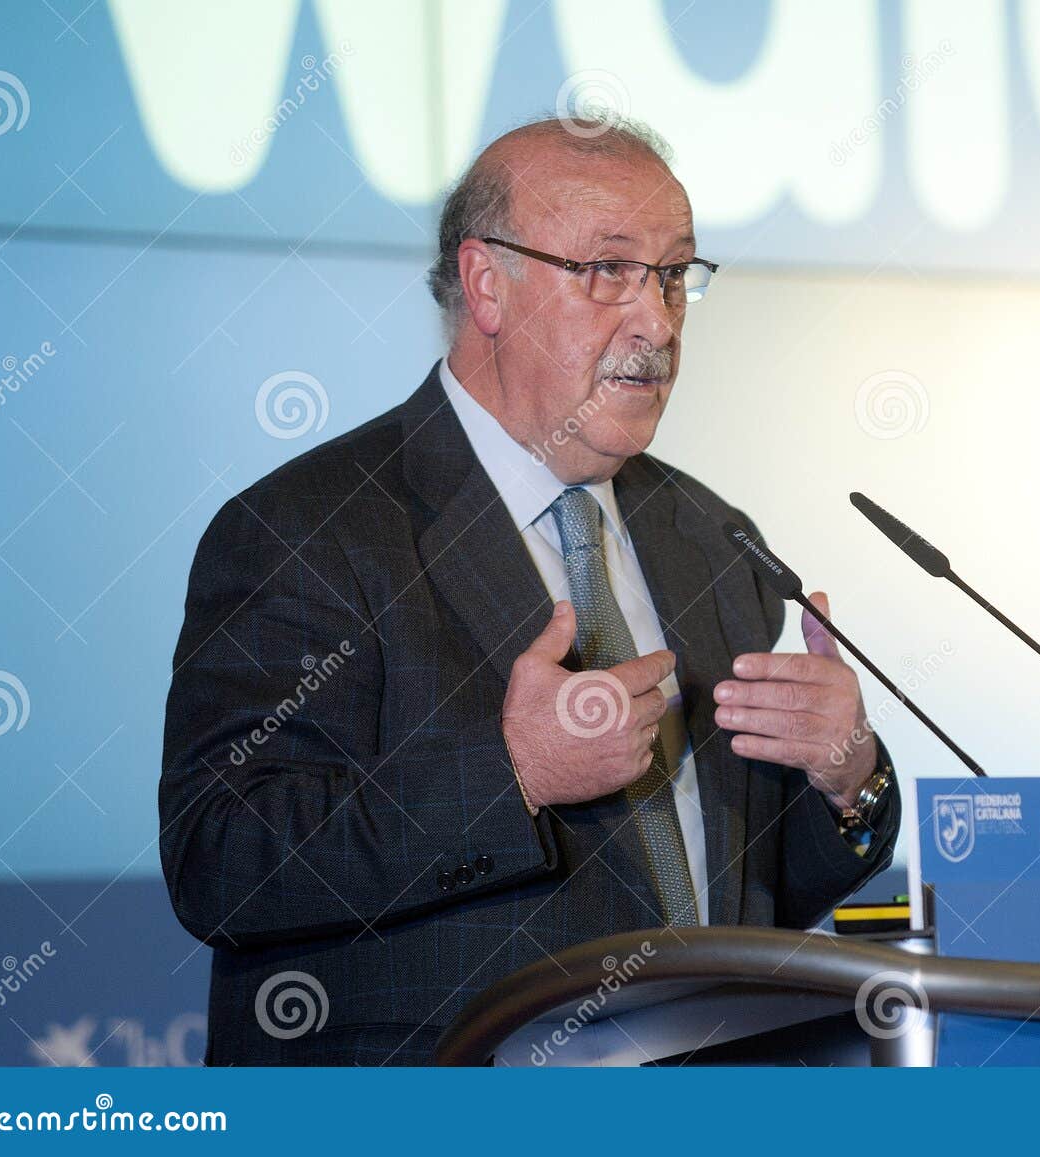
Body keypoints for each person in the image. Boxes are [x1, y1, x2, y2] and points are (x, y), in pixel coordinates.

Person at [159, 115, 900, 1065]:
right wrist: (509, 774)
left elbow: (752, 895)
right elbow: (223, 860)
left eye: (674, 275)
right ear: (487, 285)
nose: (658, 320)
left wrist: (846, 779)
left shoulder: (713, 535)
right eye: (607, 270)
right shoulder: (311, 527)